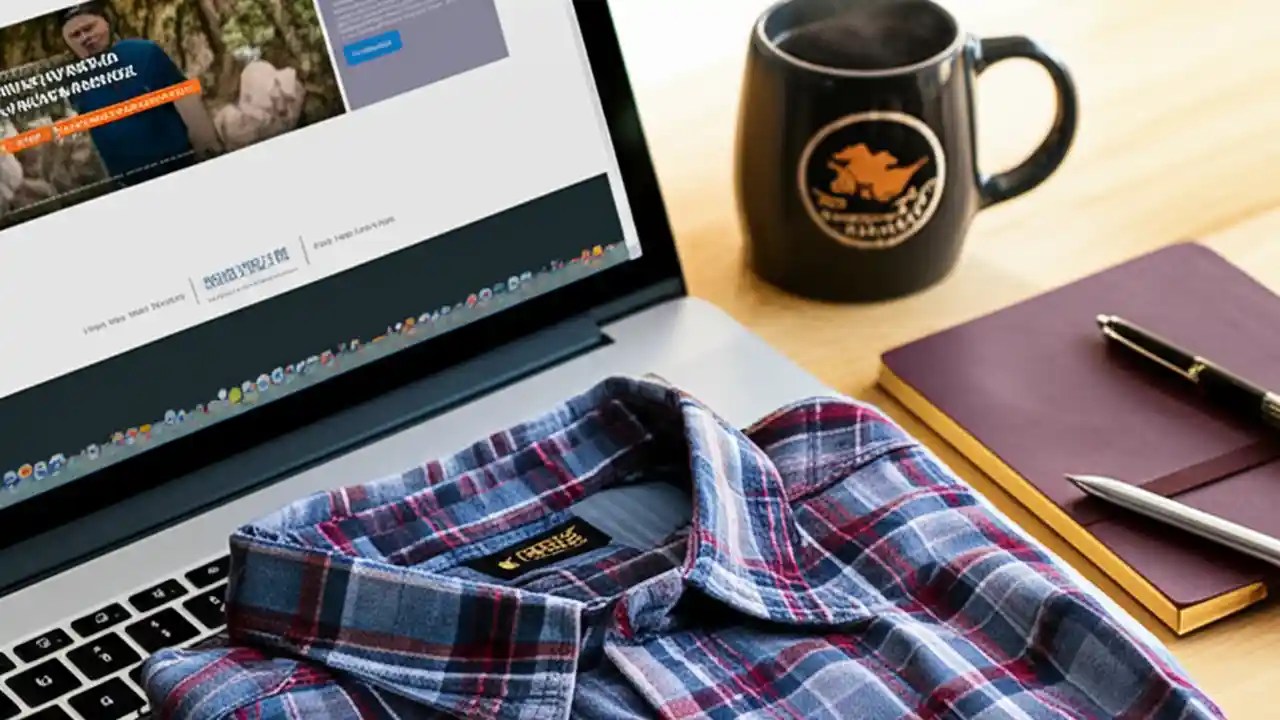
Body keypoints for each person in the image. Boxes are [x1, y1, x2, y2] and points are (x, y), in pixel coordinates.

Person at [60, 1, 224, 185]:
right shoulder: (76, 84)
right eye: (75, 35)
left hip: (180, 167)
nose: (85, 38)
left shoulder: (144, 53)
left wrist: (209, 148)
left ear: (106, 22)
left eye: (89, 28)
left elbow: (186, 100)